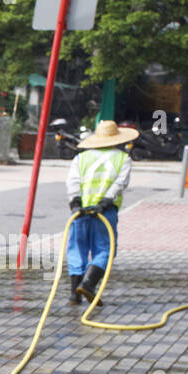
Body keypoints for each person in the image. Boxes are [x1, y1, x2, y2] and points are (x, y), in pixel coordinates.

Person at [66, 120, 136, 305]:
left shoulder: (81, 158)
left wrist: (75, 202)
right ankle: (88, 284)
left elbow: (73, 182)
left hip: (79, 212)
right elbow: (120, 183)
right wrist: (105, 202)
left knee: (76, 249)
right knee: (105, 249)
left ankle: (75, 294)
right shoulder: (123, 158)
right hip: (105, 213)